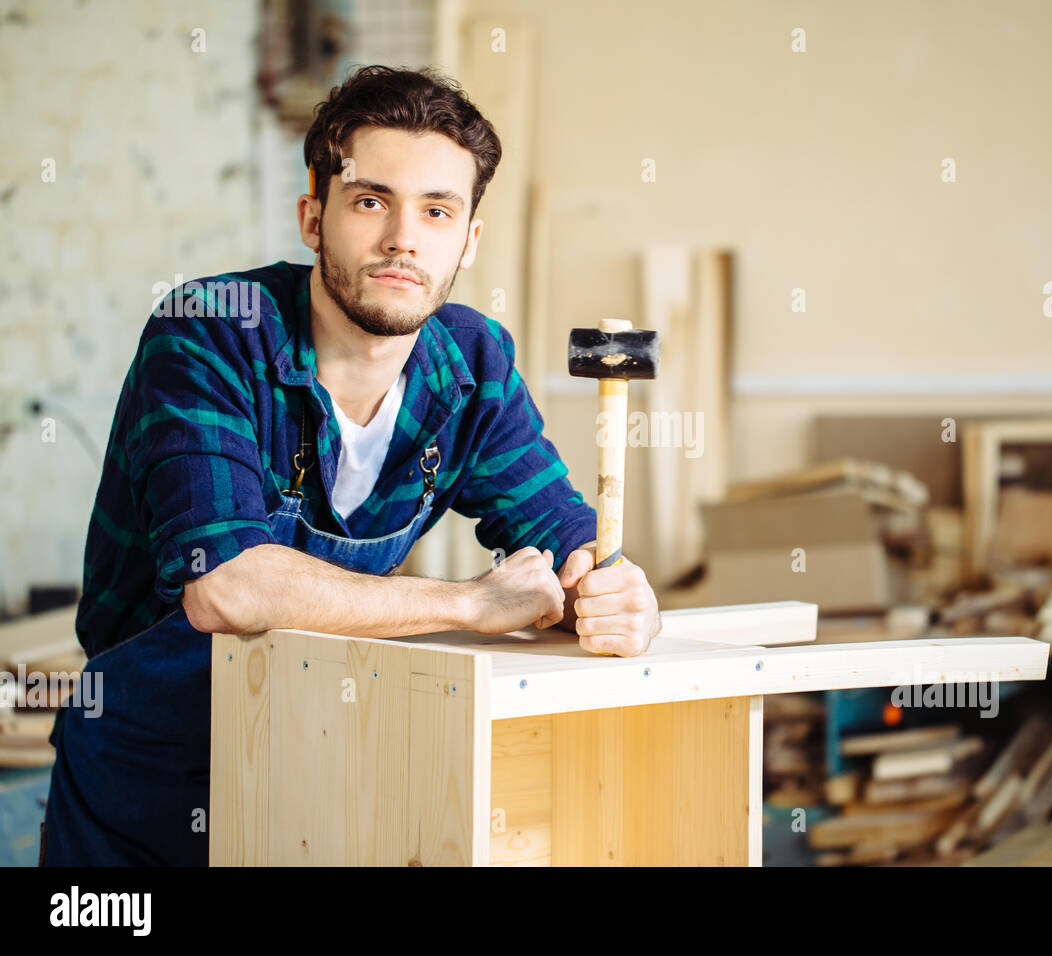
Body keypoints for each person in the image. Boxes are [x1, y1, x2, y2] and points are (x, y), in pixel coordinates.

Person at [41, 65, 660, 866]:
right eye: (371, 201)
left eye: (437, 211)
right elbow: (227, 586)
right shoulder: (209, 332)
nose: (404, 237)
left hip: (321, 756)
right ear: (313, 217)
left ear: (469, 239)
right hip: (147, 775)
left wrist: (612, 592)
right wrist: (469, 604)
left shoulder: (472, 361)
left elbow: (566, 533)